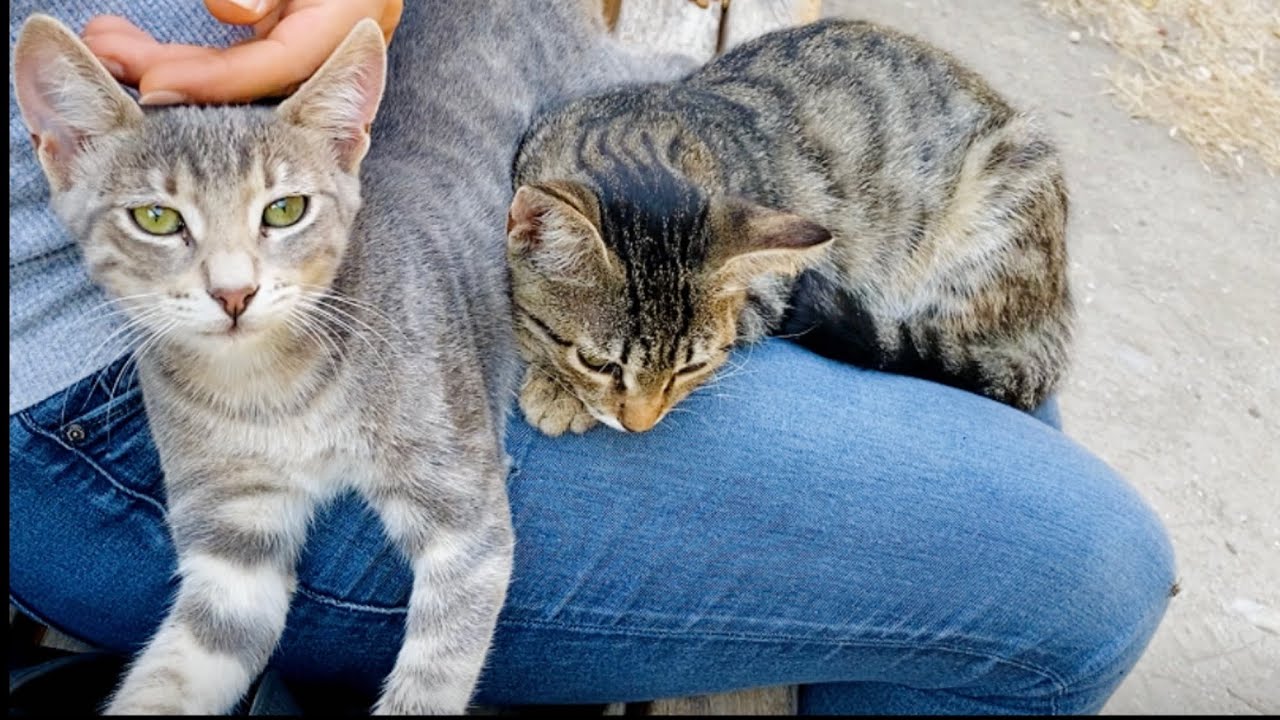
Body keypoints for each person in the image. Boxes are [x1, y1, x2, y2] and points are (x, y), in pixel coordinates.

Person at [8, 0, 1176, 714]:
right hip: (84, 384)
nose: (228, 280)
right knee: (1079, 584)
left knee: (1007, 377)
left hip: (455, 62)